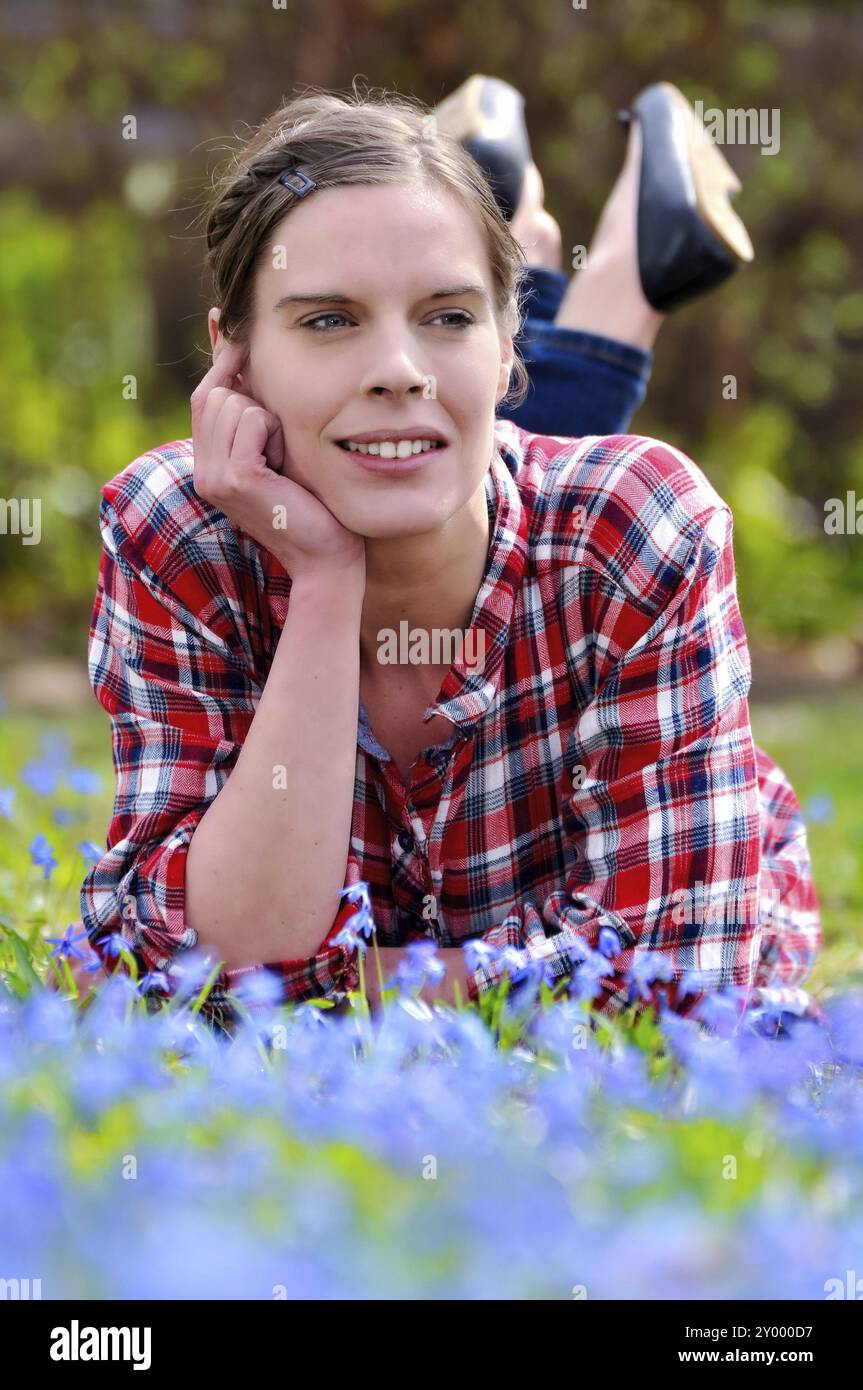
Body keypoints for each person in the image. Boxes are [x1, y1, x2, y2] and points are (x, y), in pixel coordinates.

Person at [71, 83, 820, 1029]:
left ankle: (587, 252)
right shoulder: (178, 532)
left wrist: (341, 987)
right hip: (451, 486)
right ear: (235, 359)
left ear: (513, 341)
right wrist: (326, 579)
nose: (399, 366)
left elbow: (679, 993)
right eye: (327, 319)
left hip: (534, 511)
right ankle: (607, 253)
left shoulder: (641, 530)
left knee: (502, 486)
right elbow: (191, 970)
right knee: (427, 456)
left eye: (451, 316)